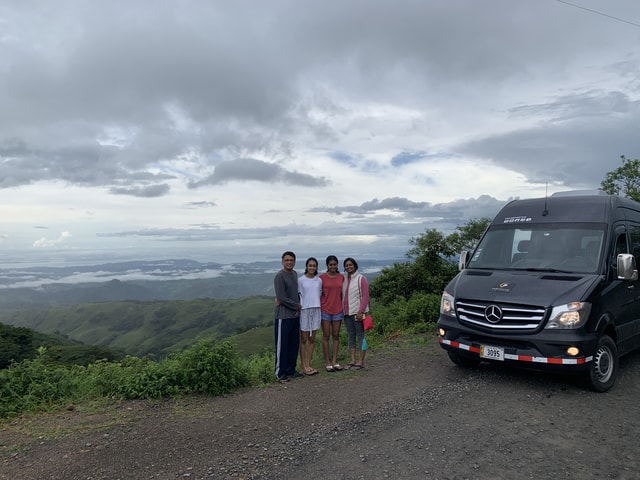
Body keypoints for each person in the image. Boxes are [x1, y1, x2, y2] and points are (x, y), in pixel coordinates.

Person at [274, 251, 303, 382]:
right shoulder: (279, 276)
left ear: (294, 262)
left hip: (294, 316)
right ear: (282, 262)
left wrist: (296, 307)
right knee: (282, 345)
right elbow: (281, 297)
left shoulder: (294, 274)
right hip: (283, 316)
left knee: (293, 344)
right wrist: (296, 306)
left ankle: (291, 369)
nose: (289, 262)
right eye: (287, 260)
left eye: (291, 260)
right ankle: (280, 372)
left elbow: (294, 293)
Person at [342, 257, 369, 369]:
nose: (348, 267)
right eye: (346, 265)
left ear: (355, 265)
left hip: (357, 313)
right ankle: (352, 360)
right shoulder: (344, 279)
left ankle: (361, 361)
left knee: (361, 336)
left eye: (350, 265)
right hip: (347, 313)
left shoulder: (361, 278)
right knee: (351, 336)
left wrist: (361, 311)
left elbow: (365, 296)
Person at [320, 255, 345, 372]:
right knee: (326, 336)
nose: (333, 266)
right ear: (327, 265)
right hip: (325, 309)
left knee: (336, 335)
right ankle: (327, 362)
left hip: (338, 309)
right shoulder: (321, 278)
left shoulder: (341, 277)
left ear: (337, 265)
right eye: (330, 264)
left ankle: (334, 361)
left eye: (334, 264)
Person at [298, 257, 322, 375]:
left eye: (314, 266)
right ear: (306, 267)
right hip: (305, 310)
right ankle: (303, 365)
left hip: (316, 309)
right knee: (303, 338)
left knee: (312, 339)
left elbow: (320, 293)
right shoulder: (300, 280)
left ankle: (308, 364)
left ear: (316, 267)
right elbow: (298, 294)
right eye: (310, 265)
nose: (312, 268)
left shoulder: (319, 280)